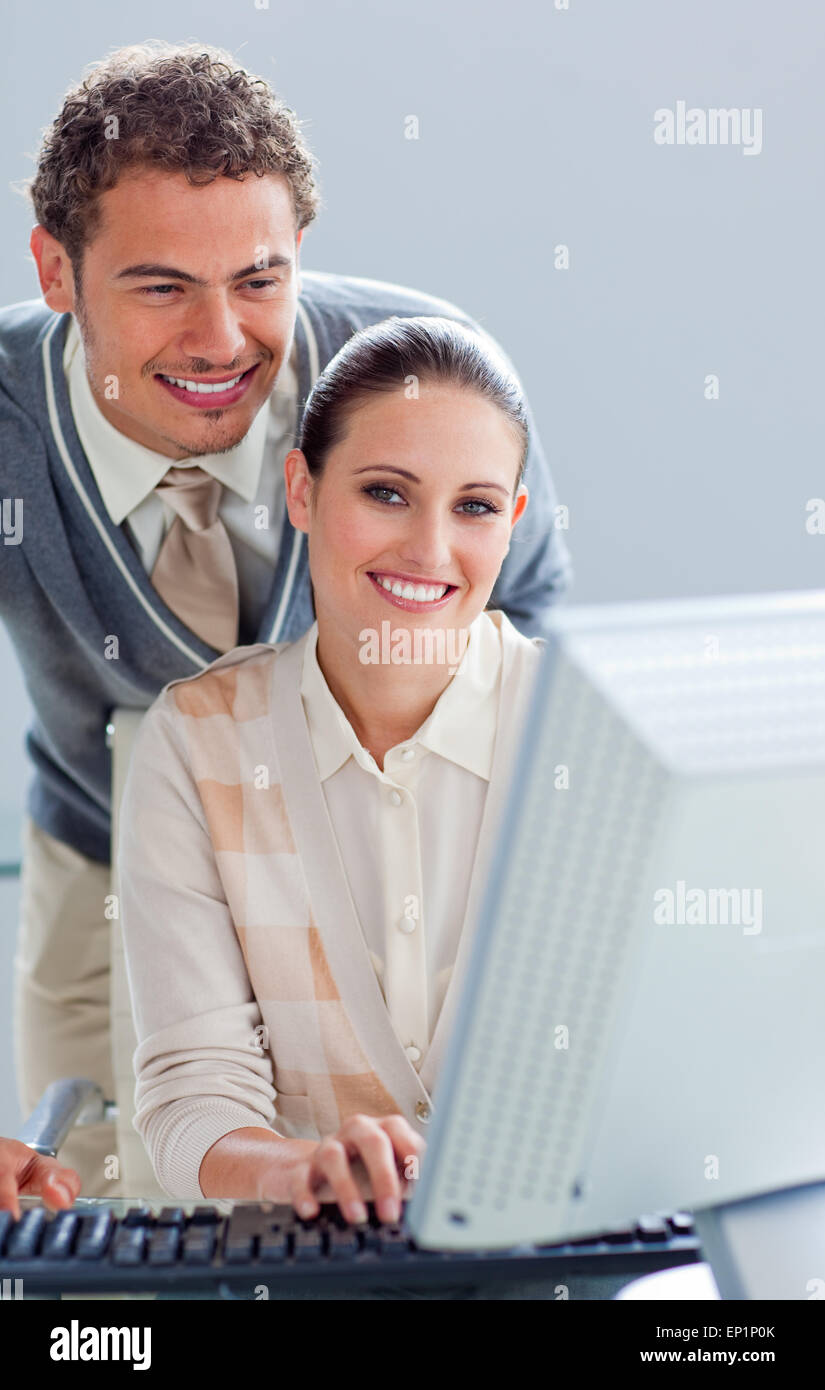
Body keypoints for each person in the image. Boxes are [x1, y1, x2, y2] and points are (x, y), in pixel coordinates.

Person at [0, 41, 570, 1203]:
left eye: (258, 279)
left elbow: (531, 626)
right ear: (55, 271)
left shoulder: (416, 385)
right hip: (103, 833)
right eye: (161, 286)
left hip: (370, 836)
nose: (221, 341)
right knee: (90, 1226)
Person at [118, 315, 546, 1226]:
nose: (430, 551)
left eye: (472, 506)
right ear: (302, 491)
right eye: (386, 493)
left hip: (565, 1255)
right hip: (307, 1267)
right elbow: (194, 1101)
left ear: (510, 523)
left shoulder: (587, 734)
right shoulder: (198, 743)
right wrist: (304, 1170)